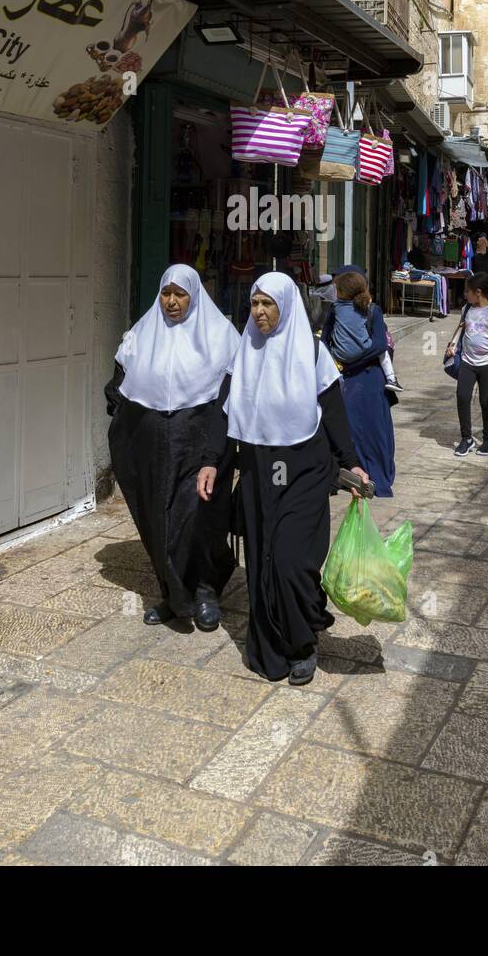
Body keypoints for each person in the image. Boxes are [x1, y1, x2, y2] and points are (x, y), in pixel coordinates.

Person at [197, 273, 368, 684]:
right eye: (254, 304)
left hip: (304, 468)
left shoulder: (311, 352)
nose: (258, 312)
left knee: (292, 559)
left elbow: (333, 412)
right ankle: (273, 645)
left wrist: (353, 462)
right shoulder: (244, 351)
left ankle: (303, 644)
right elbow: (223, 412)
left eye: (267, 304)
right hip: (258, 469)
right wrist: (209, 461)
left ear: (286, 306)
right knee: (262, 560)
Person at [105, 264, 239, 631]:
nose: (172, 302)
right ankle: (173, 594)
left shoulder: (221, 335)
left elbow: (230, 396)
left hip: (200, 439)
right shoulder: (142, 333)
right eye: (166, 293)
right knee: (159, 517)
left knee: (198, 516)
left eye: (180, 295)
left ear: (194, 296)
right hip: (153, 443)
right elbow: (119, 385)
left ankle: (206, 589)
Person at [322, 267, 398, 496]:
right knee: (348, 426)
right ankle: (350, 471)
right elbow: (325, 339)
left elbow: (380, 344)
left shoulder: (372, 311)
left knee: (374, 428)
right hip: (347, 379)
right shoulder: (335, 311)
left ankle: (376, 475)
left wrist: (349, 364)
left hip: (370, 377)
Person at [446, 273, 488, 458]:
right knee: (462, 397)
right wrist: (452, 345)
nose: (465, 294)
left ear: (479, 292)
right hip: (467, 361)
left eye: (468, 291)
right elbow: (460, 328)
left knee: (486, 401)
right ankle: (466, 438)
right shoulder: (467, 308)